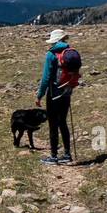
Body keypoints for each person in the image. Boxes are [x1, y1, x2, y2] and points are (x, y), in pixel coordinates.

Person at [35, 28, 73, 165]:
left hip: (54, 94)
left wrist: (39, 95)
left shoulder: (51, 54)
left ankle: (54, 156)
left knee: (53, 124)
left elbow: (46, 78)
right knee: (63, 122)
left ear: (54, 40)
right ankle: (67, 154)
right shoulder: (69, 52)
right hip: (67, 92)